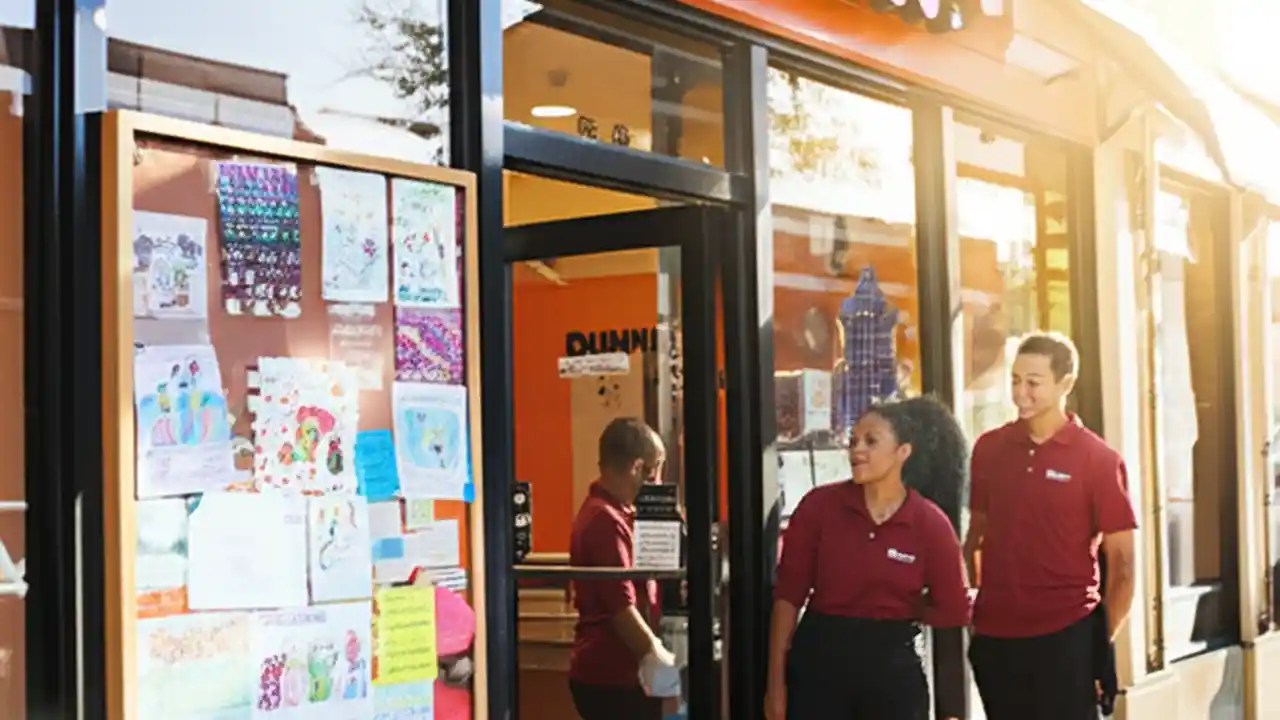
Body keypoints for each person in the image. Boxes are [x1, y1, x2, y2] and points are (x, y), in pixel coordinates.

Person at [965, 332, 1137, 720]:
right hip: (996, 639)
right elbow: (976, 537)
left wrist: (1097, 644)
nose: (1020, 393)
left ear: (1066, 384)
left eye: (1033, 383)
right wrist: (979, 611)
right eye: (1014, 380)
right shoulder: (988, 449)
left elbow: (1123, 566)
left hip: (1066, 637)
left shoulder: (1098, 459)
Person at [766, 396, 971, 720]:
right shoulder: (818, 507)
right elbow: (788, 597)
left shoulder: (930, 524)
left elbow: (954, 610)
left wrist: (913, 609)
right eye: (853, 441)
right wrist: (775, 685)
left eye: (871, 441)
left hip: (892, 668)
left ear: (903, 451)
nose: (856, 450)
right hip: (821, 662)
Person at [568, 417, 678, 720]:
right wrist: (660, 660)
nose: (656, 484)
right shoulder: (605, 521)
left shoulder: (613, 514)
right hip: (613, 675)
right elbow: (620, 606)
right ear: (637, 467)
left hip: (615, 673)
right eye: (654, 472)